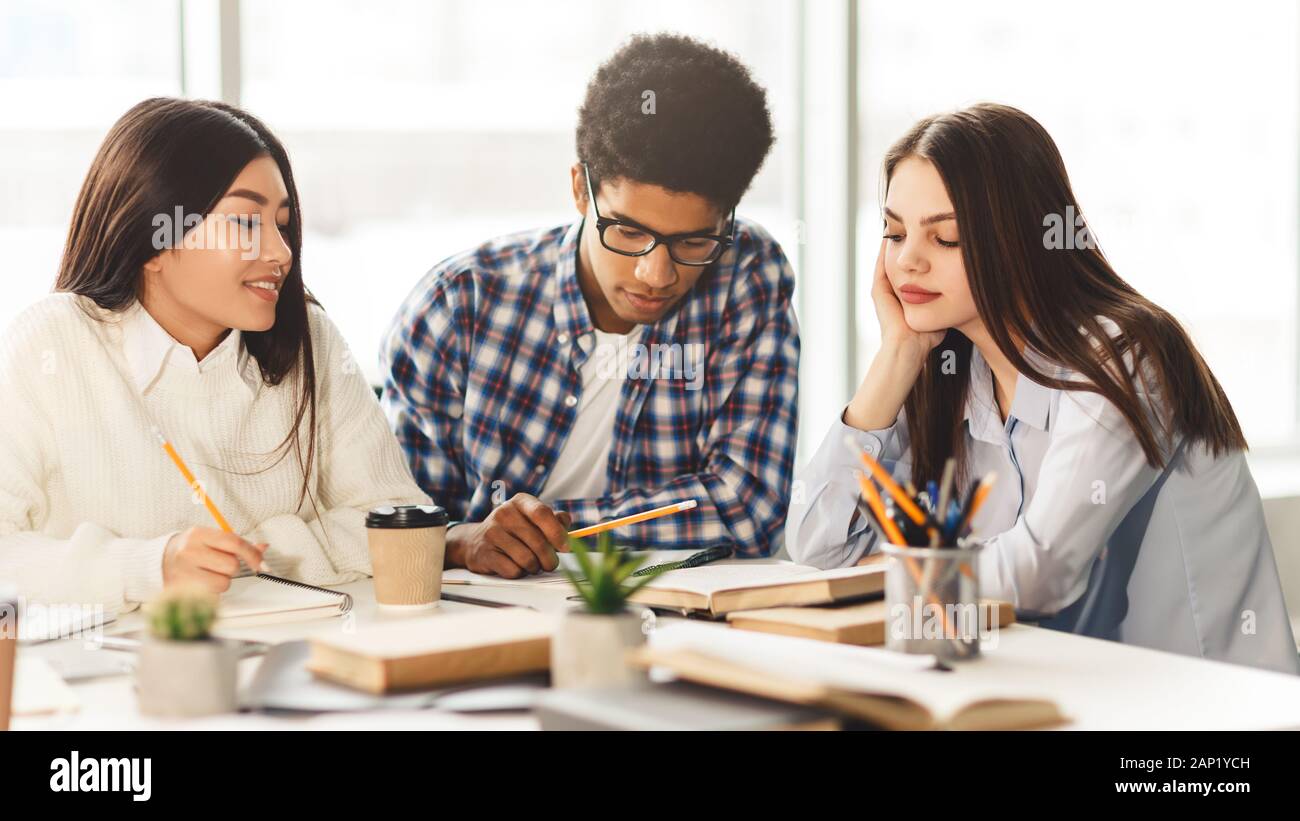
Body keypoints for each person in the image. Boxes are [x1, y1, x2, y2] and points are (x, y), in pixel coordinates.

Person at [789, 103, 1298, 674]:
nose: (908, 260)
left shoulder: (1124, 355)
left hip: (1208, 719)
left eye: (947, 237)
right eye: (894, 231)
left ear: (1019, 241)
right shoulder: (948, 370)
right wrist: (895, 356)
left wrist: (897, 575)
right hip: (1069, 696)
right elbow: (820, 547)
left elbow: (1041, 571)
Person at [382, 34, 799, 579]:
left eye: (694, 242)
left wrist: (545, 528)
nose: (657, 275)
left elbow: (747, 512)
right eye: (627, 231)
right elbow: (398, 522)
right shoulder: (460, 304)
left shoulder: (746, 273)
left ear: (729, 220)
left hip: (672, 625)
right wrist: (465, 539)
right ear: (581, 189)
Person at [0, 98, 429, 617]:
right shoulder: (53, 342)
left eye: (283, 223)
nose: (281, 253)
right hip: (118, 681)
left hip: (292, 660)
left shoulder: (310, 339)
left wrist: (244, 556)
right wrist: (150, 565)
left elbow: (401, 522)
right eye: (247, 223)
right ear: (155, 241)